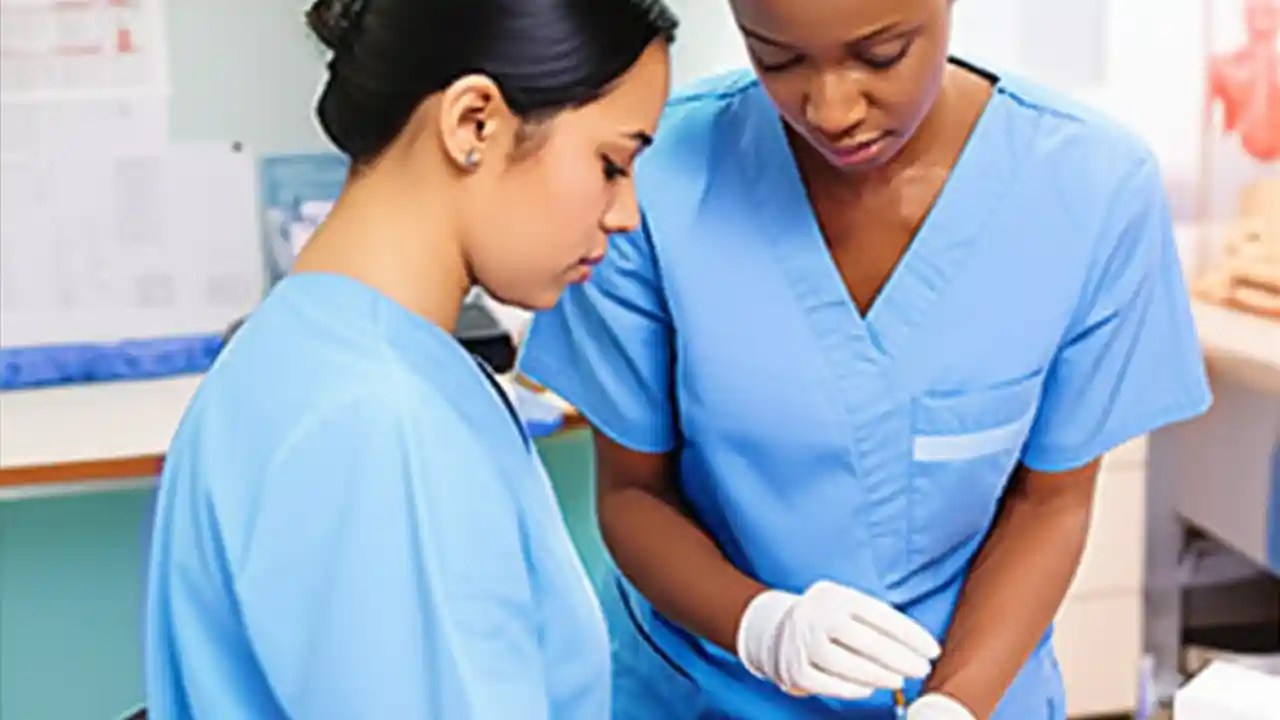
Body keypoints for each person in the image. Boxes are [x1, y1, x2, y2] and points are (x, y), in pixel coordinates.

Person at [519, 0, 1211, 718]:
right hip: (704, 690)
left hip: (976, 681)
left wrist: (957, 703)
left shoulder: (1090, 189)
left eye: (881, 56)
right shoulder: (650, 177)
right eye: (777, 59)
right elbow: (633, 494)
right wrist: (761, 627)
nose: (832, 110)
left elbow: (1050, 502)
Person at [144, 0, 675, 717]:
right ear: (473, 123)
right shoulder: (380, 420)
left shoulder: (304, 350)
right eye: (612, 165)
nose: (626, 214)